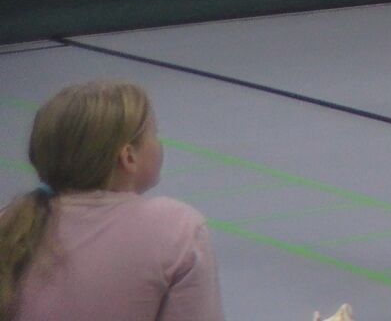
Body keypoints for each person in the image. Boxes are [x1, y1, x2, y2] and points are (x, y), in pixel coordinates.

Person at [0, 81, 224, 321]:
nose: (159, 144)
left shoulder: (10, 223)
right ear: (128, 157)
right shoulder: (178, 229)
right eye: (154, 135)